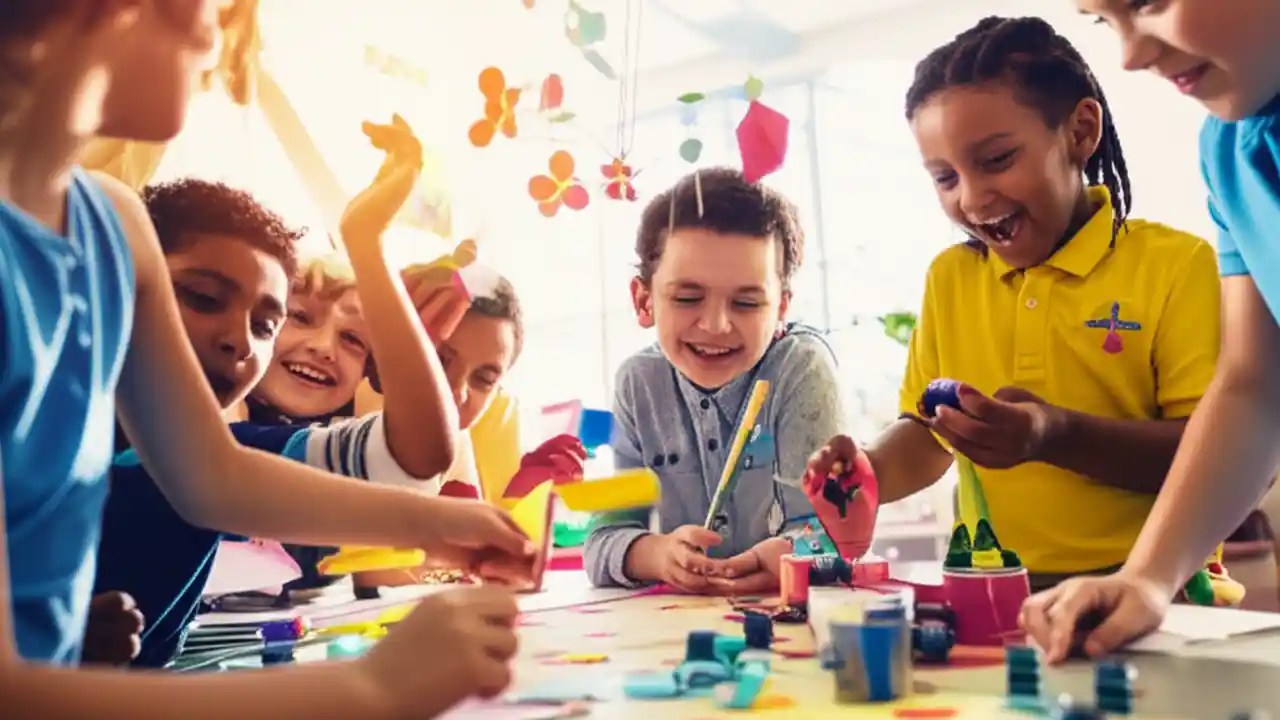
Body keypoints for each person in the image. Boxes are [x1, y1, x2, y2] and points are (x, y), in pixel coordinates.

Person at [1, 3, 527, 716]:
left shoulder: (115, 225)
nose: (213, 37)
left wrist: (434, 526)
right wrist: (369, 686)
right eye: (204, 5)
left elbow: (210, 474)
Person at [804, 16, 1220, 592]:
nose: (972, 198)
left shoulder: (1176, 266)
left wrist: (1053, 435)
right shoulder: (950, 279)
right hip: (997, 592)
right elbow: (930, 433)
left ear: (1079, 131)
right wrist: (865, 470)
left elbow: (1217, 453)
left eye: (997, 160)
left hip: (1158, 588)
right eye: (945, 177)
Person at [1022, 0, 1280, 662]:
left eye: (1149, 3)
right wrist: (1147, 576)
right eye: (1104, 21)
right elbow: (1255, 385)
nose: (1131, 55)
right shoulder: (1229, 152)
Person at [584, 167, 845, 595]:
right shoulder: (637, 383)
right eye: (687, 298)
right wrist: (659, 554)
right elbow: (601, 542)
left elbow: (834, 535)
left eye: (746, 302)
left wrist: (773, 560)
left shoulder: (801, 369)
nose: (716, 324)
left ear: (781, 308)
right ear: (643, 299)